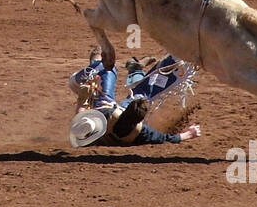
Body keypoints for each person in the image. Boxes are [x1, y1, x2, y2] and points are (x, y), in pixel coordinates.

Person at [66, 52, 201, 147]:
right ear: (139, 122)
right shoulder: (142, 133)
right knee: (141, 93)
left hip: (102, 121)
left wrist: (82, 98)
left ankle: (95, 64)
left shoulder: (106, 114)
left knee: (107, 67)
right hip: (104, 127)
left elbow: (80, 121)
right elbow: (169, 138)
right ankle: (135, 70)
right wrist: (190, 133)